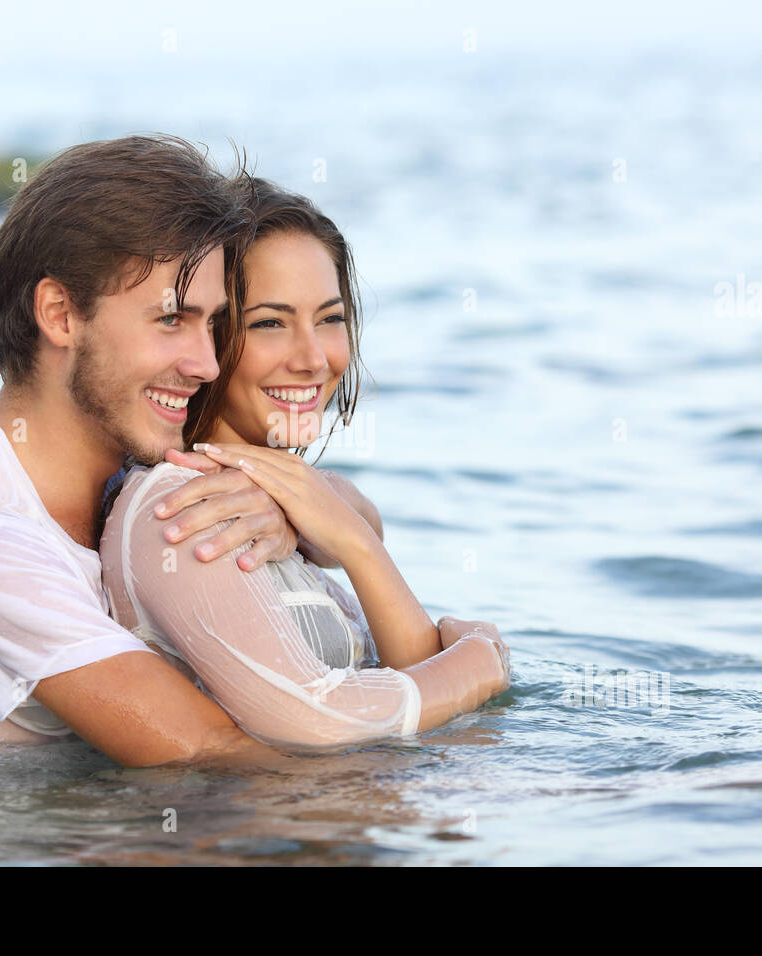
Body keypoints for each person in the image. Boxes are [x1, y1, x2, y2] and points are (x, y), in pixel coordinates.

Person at [0, 136, 314, 766]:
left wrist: (291, 505)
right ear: (60, 313)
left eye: (212, 323)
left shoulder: (119, 459)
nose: (208, 363)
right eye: (171, 320)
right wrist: (479, 665)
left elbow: (348, 513)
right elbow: (222, 757)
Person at [99, 177, 510, 752]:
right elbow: (323, 729)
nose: (314, 358)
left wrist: (331, 514)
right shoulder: (183, 511)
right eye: (270, 322)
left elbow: (418, 718)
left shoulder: (274, 507)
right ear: (208, 335)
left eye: (330, 319)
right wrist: (481, 659)